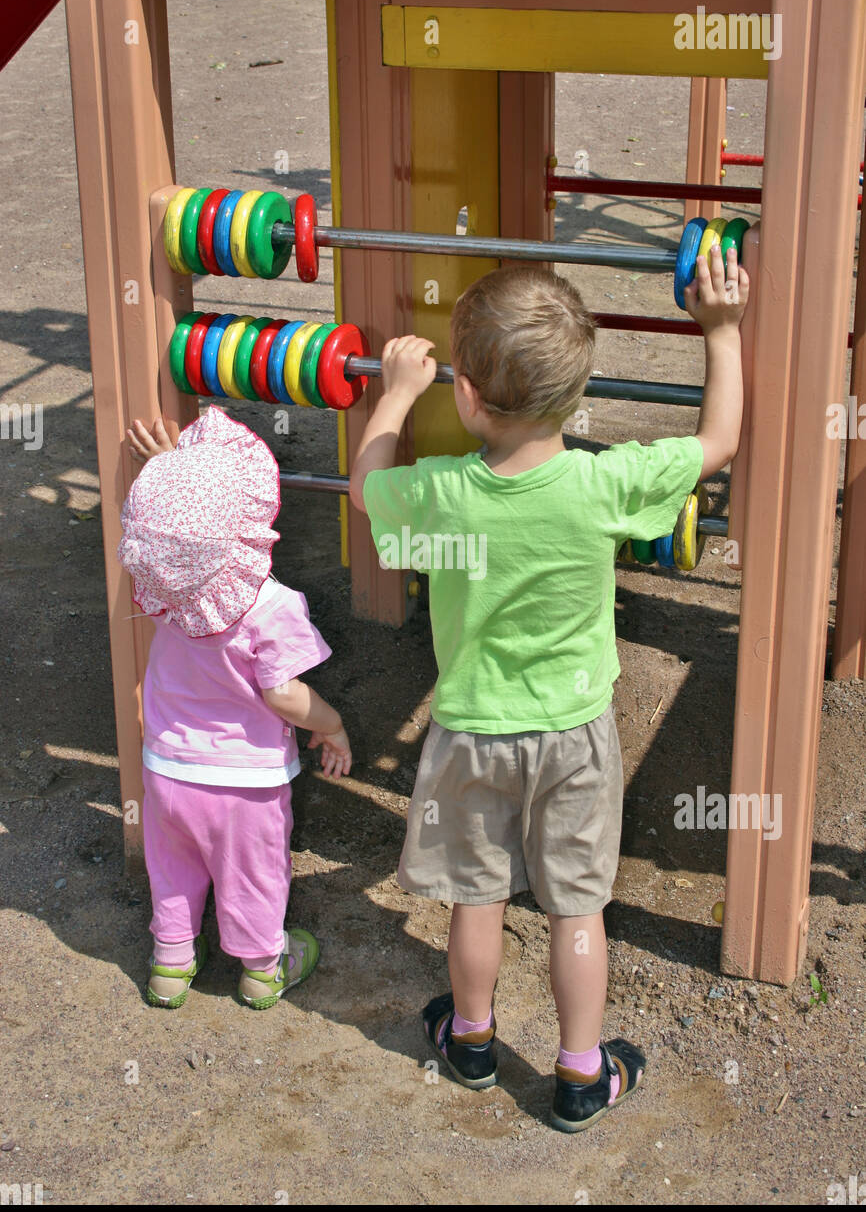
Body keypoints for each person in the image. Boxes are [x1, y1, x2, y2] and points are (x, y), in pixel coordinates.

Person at [349, 244, 748, 1131]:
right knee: (577, 907)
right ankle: (579, 1073)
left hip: (470, 734)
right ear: (578, 394)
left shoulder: (444, 494)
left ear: (467, 396)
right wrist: (720, 330)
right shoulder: (605, 484)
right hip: (575, 736)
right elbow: (718, 440)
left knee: (477, 893)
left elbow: (366, 489)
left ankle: (472, 1040)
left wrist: (396, 396)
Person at [119, 405, 351, 1010]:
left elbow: (178, 536)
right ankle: (262, 969)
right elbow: (284, 695)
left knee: (172, 867)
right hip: (244, 786)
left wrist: (168, 471)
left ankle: (171, 963)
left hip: (167, 771)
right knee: (253, 876)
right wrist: (332, 723)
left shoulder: (167, 588)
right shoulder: (272, 607)